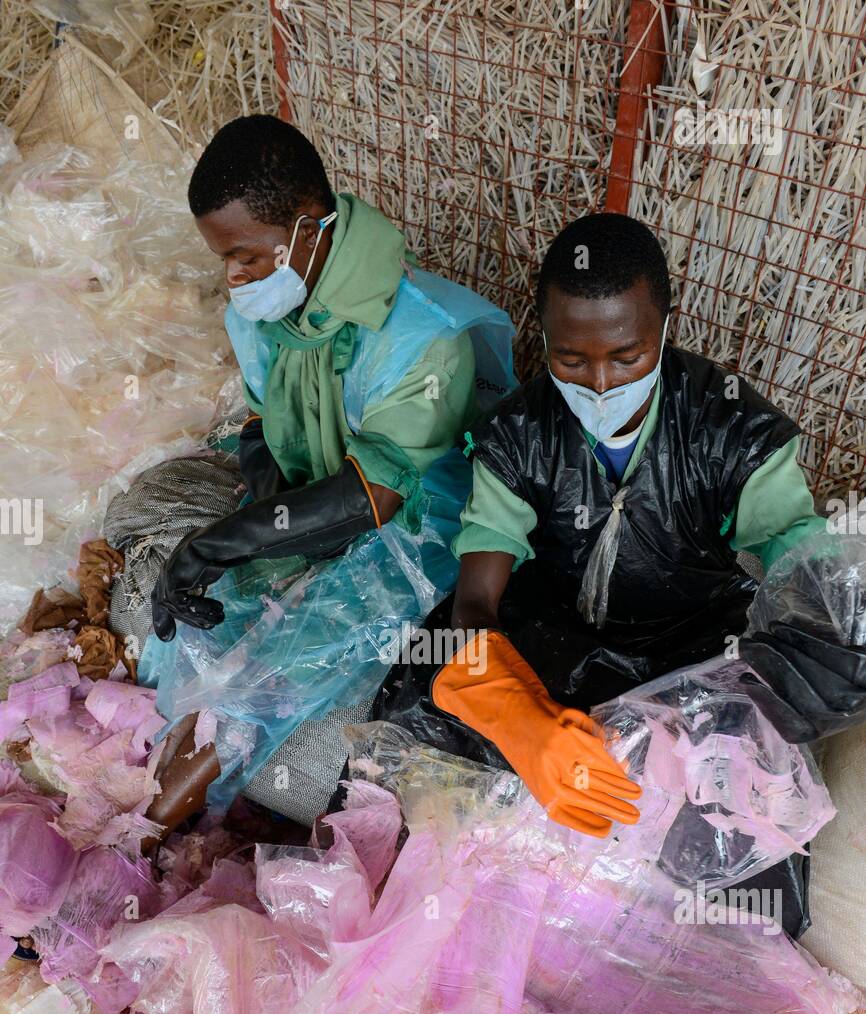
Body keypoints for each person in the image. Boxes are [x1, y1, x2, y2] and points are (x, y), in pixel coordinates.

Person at [371, 212, 843, 925]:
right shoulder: (517, 436)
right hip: (555, 630)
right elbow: (474, 607)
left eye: (626, 357)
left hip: (689, 648)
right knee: (425, 701)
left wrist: (735, 703)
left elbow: (806, 574)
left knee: (741, 852)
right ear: (546, 339)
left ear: (663, 329)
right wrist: (523, 723)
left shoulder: (735, 434)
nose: (598, 383)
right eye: (570, 359)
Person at [105, 115, 514, 832]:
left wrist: (230, 541)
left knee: (301, 647)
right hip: (318, 491)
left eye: (245, 256)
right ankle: (184, 758)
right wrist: (265, 524)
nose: (232, 277)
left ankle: (160, 821)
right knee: (221, 608)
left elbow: (378, 490)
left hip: (418, 514)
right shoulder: (266, 312)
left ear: (308, 227)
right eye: (223, 258)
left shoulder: (424, 336)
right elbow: (264, 420)